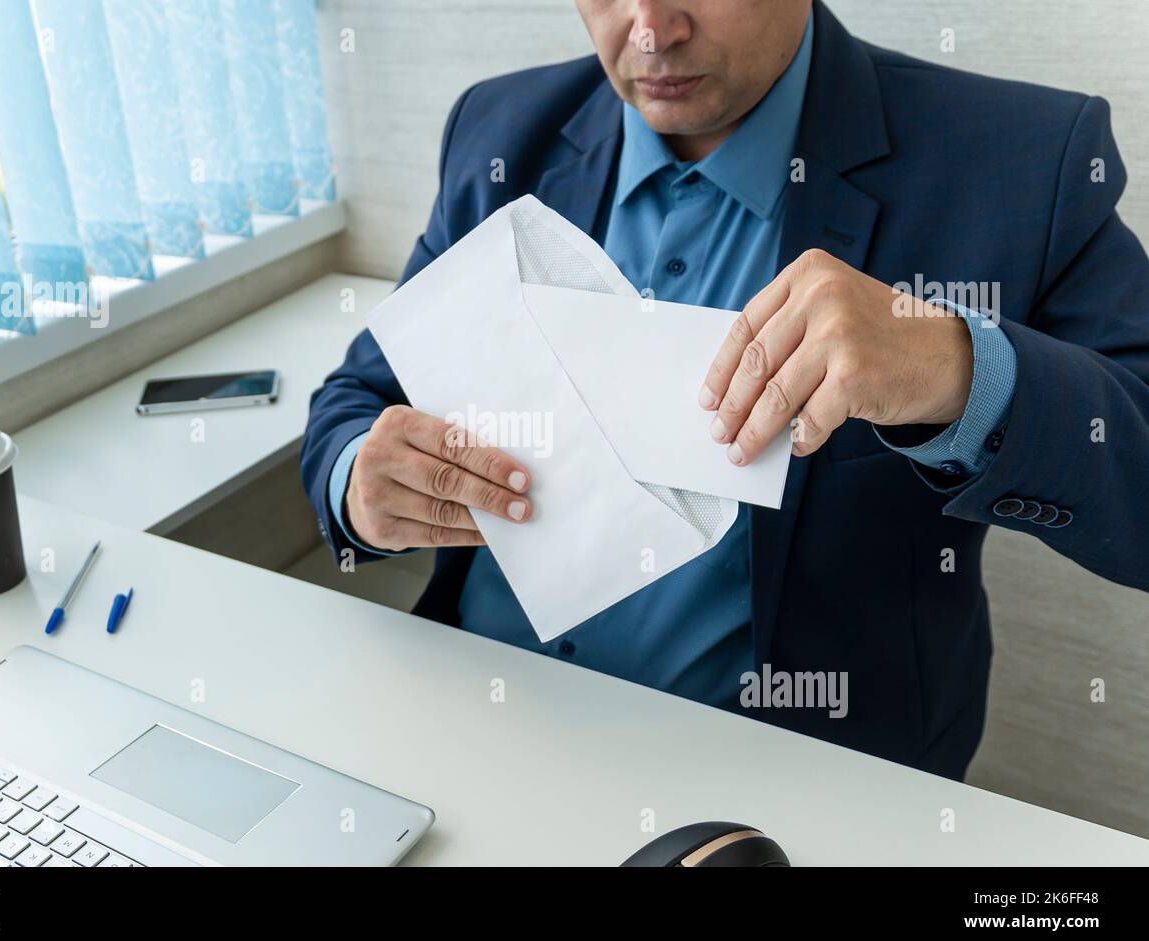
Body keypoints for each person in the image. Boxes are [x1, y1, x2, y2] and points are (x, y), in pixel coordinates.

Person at [301, 0, 1149, 778]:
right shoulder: (496, 126)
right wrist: (358, 481)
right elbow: (361, 396)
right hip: (473, 734)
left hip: (791, 790)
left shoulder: (1020, 157)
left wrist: (961, 371)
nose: (650, 30)